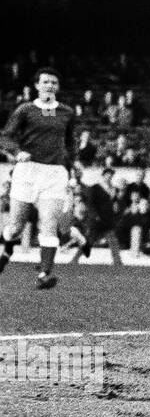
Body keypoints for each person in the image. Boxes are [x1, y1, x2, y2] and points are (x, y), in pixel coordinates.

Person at [0, 68, 77, 289]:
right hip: (27, 171)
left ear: (58, 87)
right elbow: (6, 136)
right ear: (37, 85)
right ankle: (7, 249)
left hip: (54, 173)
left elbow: (70, 141)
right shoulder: (25, 109)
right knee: (15, 227)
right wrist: (16, 152)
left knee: (49, 224)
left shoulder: (66, 112)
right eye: (45, 82)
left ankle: (44, 274)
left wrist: (69, 164)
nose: (50, 85)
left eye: (54, 82)